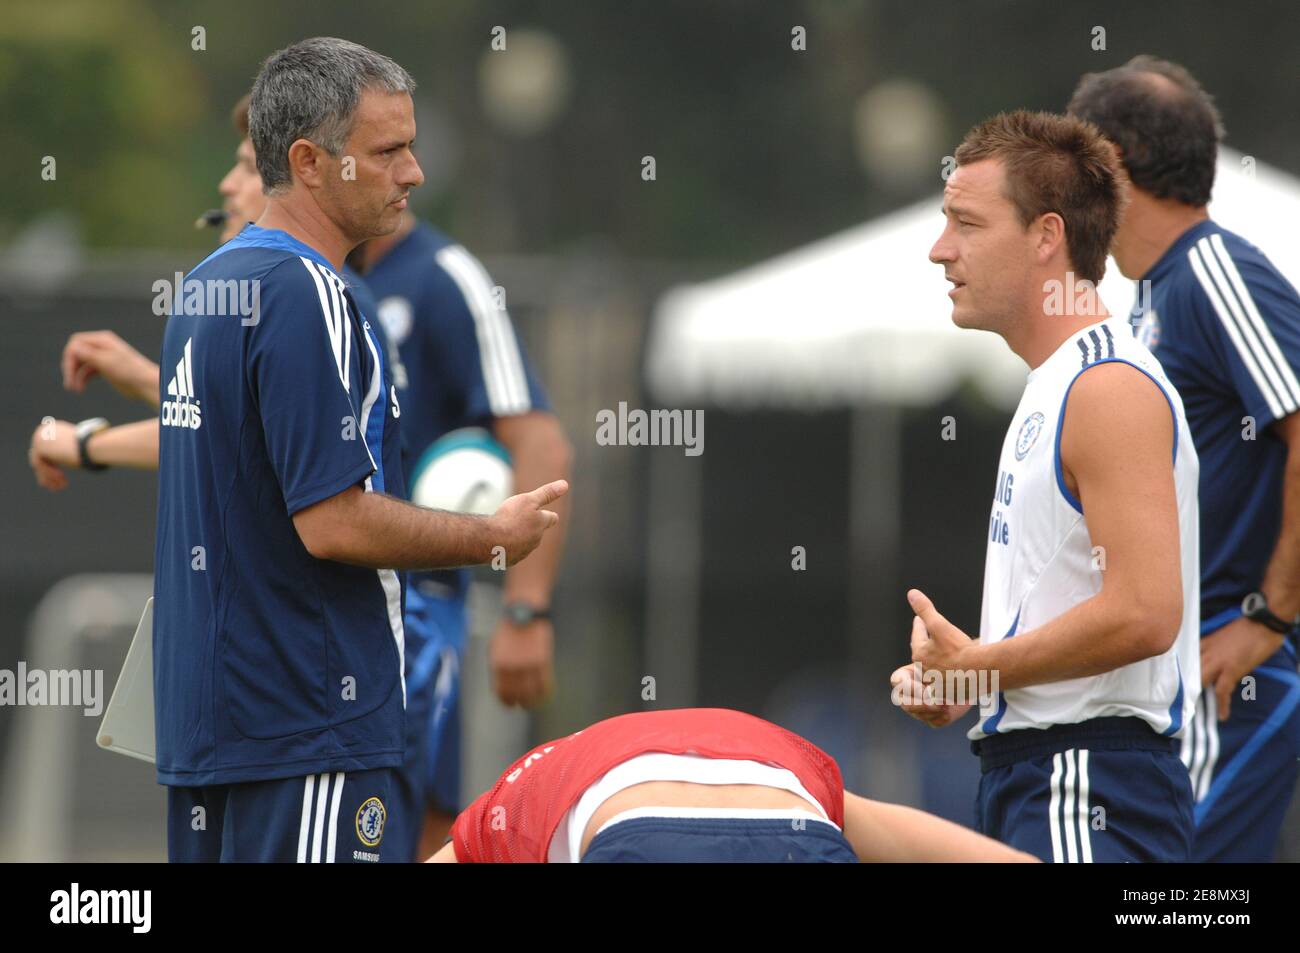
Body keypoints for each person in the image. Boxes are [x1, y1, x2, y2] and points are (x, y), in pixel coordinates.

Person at [153, 36, 566, 863]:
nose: (413, 172)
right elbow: (332, 522)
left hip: (210, 728)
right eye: (388, 151)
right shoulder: (315, 295)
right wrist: (494, 537)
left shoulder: (206, 284)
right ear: (309, 162)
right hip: (308, 730)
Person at [899, 110, 1200, 862]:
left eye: (965, 223)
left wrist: (978, 668)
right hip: (1052, 777)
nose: (940, 251)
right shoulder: (1059, 381)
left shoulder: (1104, 385)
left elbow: (1144, 613)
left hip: (1085, 783)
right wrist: (973, 679)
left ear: (1046, 236)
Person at [1069, 55, 1300, 861]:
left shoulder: (1215, 269)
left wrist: (1270, 616)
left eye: (1081, 165)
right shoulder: (1155, 293)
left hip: (1231, 662)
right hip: (1181, 667)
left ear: (1117, 164)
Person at [354, 214, 572, 861]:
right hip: (311, 611)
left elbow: (540, 440)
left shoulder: (441, 278)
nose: (409, 172)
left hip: (412, 616)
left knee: (409, 824)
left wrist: (525, 608)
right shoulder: (306, 278)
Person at [428, 708, 1038, 863]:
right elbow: (922, 845)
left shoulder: (519, 795)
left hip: (638, 837)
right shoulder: (789, 767)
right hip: (796, 835)